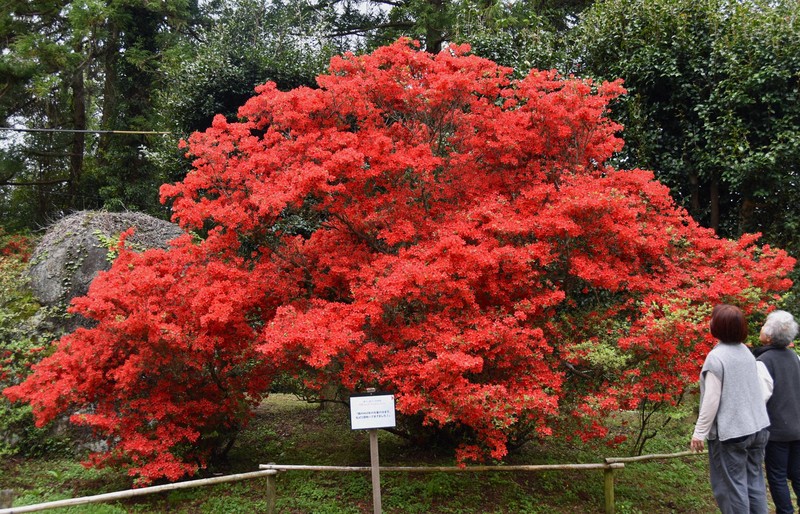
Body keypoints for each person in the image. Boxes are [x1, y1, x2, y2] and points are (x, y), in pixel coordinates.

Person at [691, 303, 771, 514]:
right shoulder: (746, 352)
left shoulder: (716, 358)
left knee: (731, 489)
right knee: (754, 483)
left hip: (732, 433)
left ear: (718, 326)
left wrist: (699, 432)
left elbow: (711, 400)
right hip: (758, 427)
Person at [754, 310, 800, 514]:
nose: (761, 327)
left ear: (770, 336)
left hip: (777, 430)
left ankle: (785, 511)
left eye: (765, 325)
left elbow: (760, 398)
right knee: (797, 473)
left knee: (777, 475)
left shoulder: (763, 362)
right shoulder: (795, 357)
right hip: (797, 427)